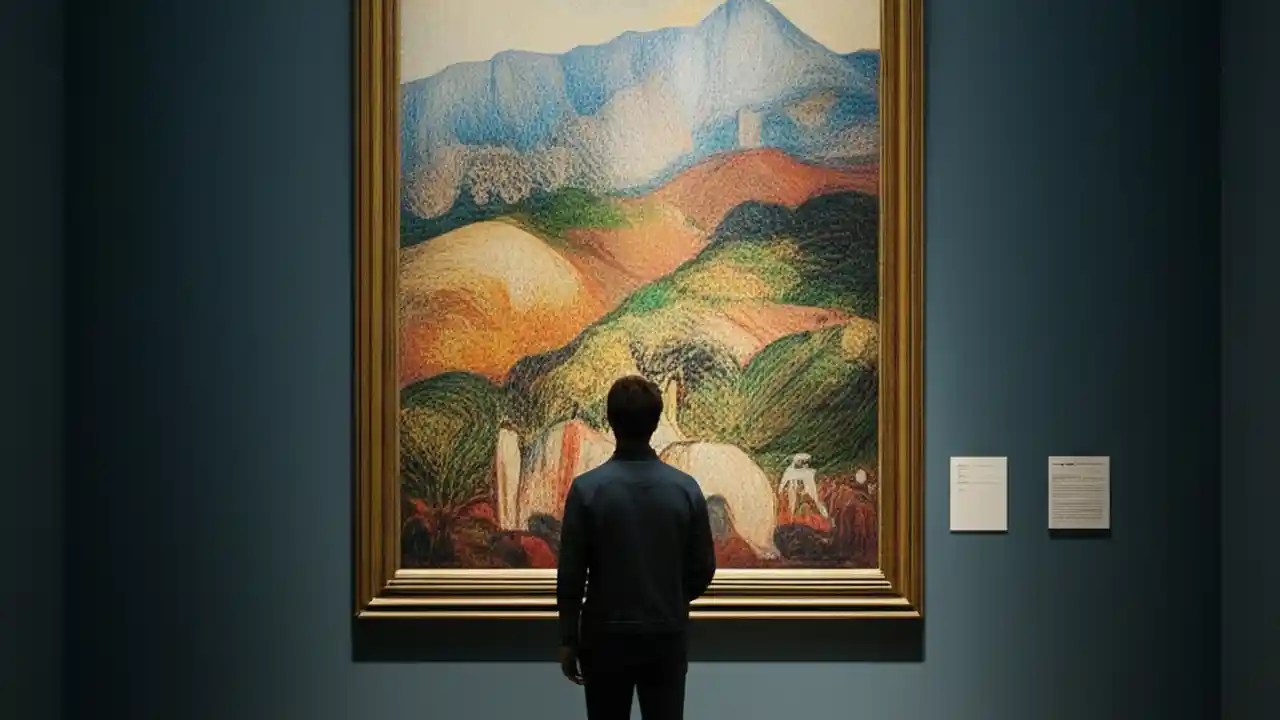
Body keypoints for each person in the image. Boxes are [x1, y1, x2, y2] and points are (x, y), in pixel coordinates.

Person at [556, 375, 717, 720]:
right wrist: (670, 597)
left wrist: (569, 639)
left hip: (604, 636)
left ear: (610, 420)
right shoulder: (685, 489)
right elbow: (703, 568)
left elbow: (571, 574)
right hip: (666, 634)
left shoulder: (586, 490)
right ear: (656, 422)